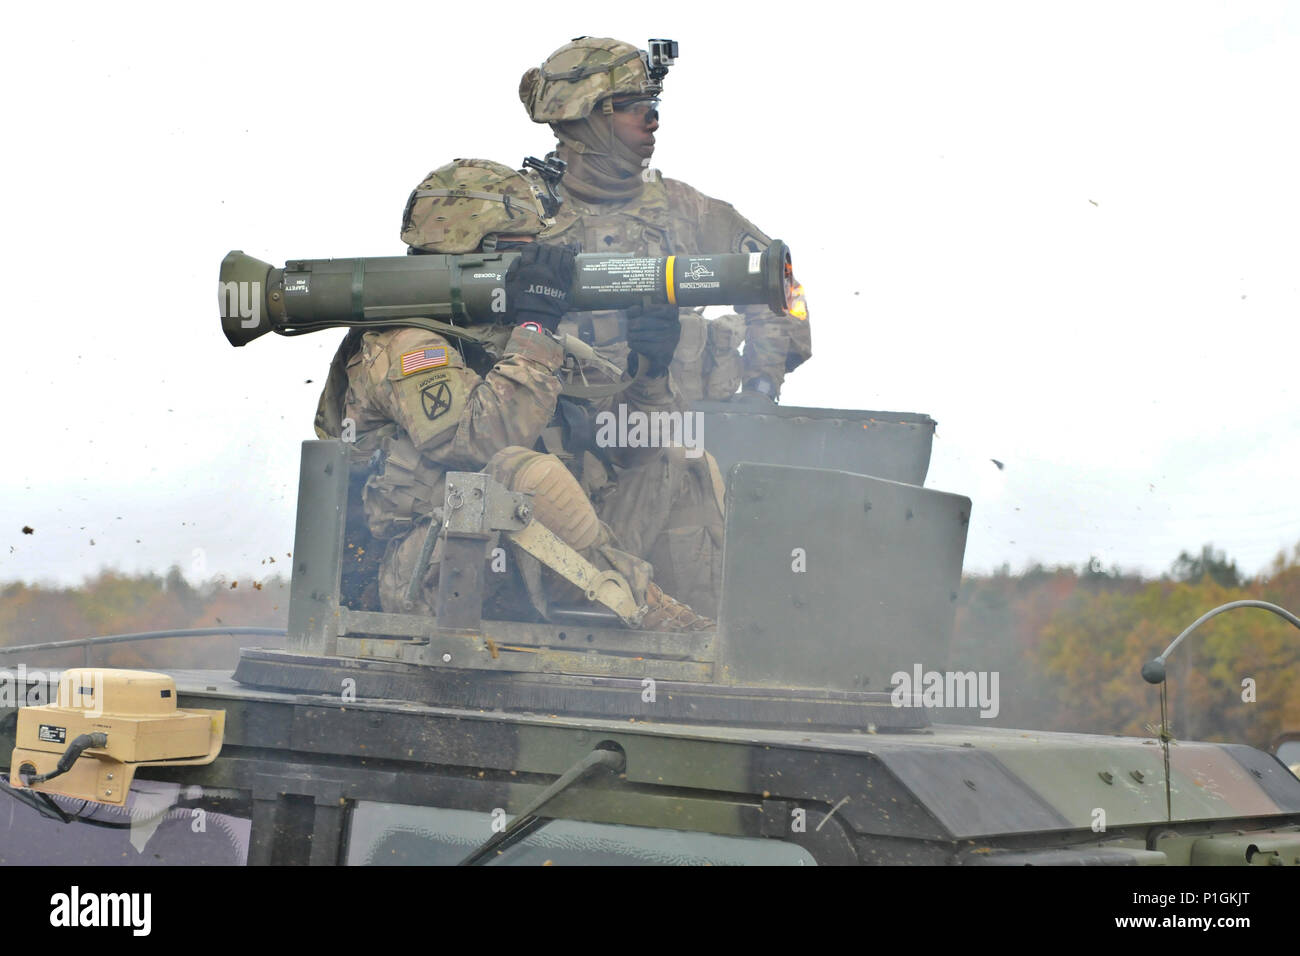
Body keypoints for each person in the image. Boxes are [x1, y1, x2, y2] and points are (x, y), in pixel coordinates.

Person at [312, 158, 711, 631]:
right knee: (524, 471)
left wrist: (649, 372)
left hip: (535, 559)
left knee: (679, 458)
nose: (532, 266)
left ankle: (712, 629)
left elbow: (627, 443)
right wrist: (536, 327)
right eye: (518, 252)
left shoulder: (514, 337)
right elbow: (478, 441)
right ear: (471, 252)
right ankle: (656, 618)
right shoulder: (405, 343)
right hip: (427, 574)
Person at [518, 36, 813, 403]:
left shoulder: (684, 208)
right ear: (583, 117)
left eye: (653, 104)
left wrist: (760, 389)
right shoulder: (519, 213)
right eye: (632, 106)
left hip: (676, 441)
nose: (653, 121)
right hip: (550, 446)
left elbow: (782, 288)